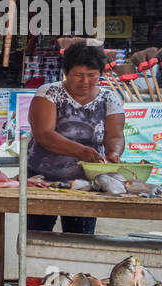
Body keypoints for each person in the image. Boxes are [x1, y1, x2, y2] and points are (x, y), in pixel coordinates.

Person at [27, 42, 125, 235]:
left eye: (92, 75)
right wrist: (82, 151)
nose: (85, 81)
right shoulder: (48, 93)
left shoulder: (109, 98)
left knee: (80, 239)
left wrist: (113, 153)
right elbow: (43, 134)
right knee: (35, 238)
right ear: (66, 72)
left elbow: (115, 135)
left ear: (100, 73)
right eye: (78, 75)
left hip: (85, 184)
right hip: (42, 181)